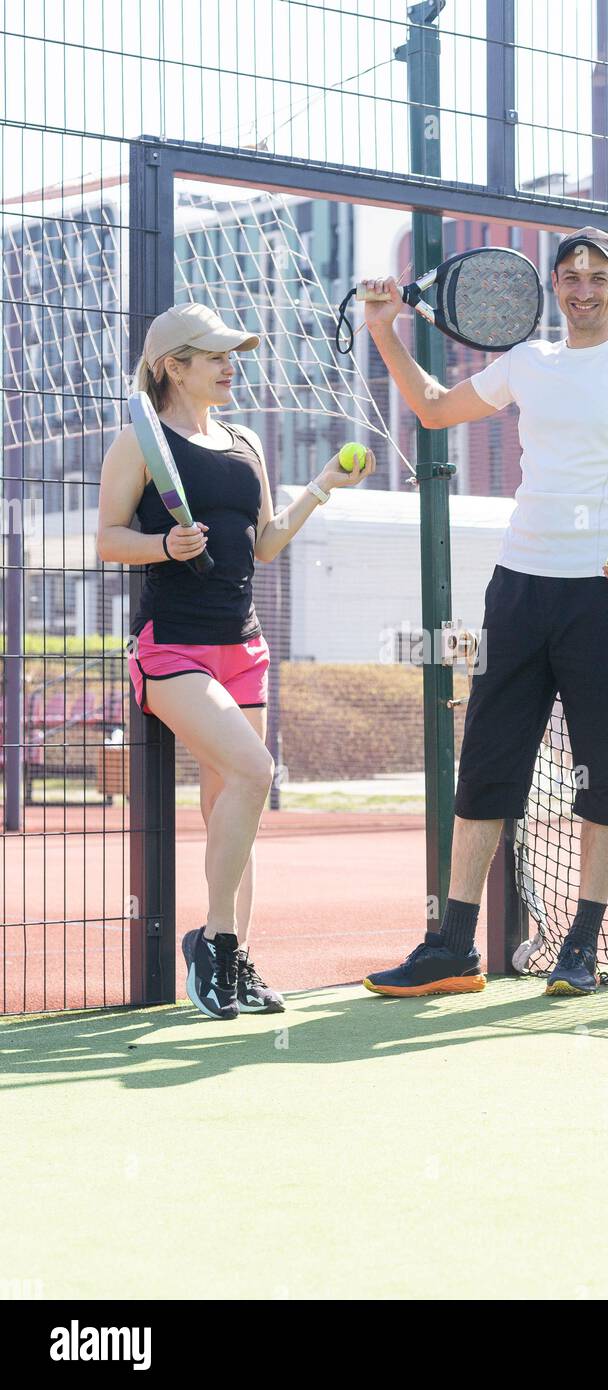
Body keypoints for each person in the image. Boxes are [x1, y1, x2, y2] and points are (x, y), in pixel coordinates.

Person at [360, 226, 608, 998]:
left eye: (597, 277)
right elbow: (432, 409)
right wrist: (384, 330)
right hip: (517, 591)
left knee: (604, 776)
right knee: (486, 767)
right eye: (571, 277)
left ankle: (580, 949)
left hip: (603, 597)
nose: (584, 290)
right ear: (554, 286)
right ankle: (452, 949)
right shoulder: (527, 363)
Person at [97, 302, 374, 1019]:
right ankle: (214, 944)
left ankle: (235, 959)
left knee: (236, 804)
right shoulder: (139, 441)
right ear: (173, 367)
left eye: (232, 355)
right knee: (256, 772)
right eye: (216, 356)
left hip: (243, 647)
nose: (231, 366)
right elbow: (108, 538)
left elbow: (266, 543)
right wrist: (164, 546)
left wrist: (321, 486)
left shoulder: (245, 441)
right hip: (172, 648)